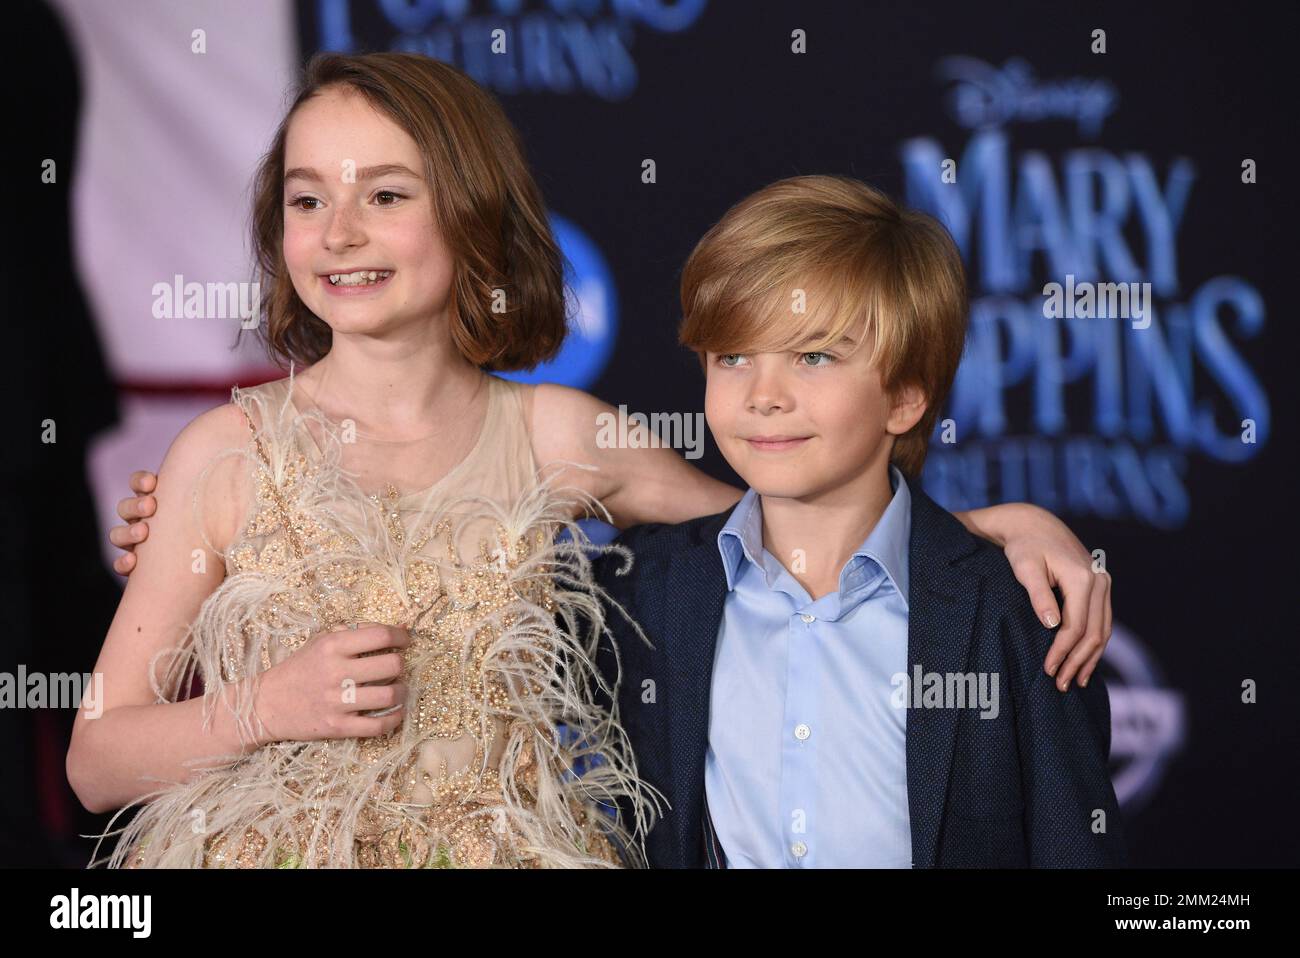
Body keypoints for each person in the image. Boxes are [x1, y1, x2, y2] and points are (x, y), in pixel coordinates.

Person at [96, 54, 1113, 869]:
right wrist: (263, 708)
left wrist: (992, 531)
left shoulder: (557, 436)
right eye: (307, 200)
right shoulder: (224, 451)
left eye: (388, 194)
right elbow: (98, 756)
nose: (341, 232)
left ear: (471, 213)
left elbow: (789, 529)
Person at [591, 176, 1125, 867]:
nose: (763, 396)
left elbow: (1075, 847)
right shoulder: (649, 591)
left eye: (814, 357)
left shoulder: (1008, 612)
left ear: (904, 397)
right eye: (733, 358)